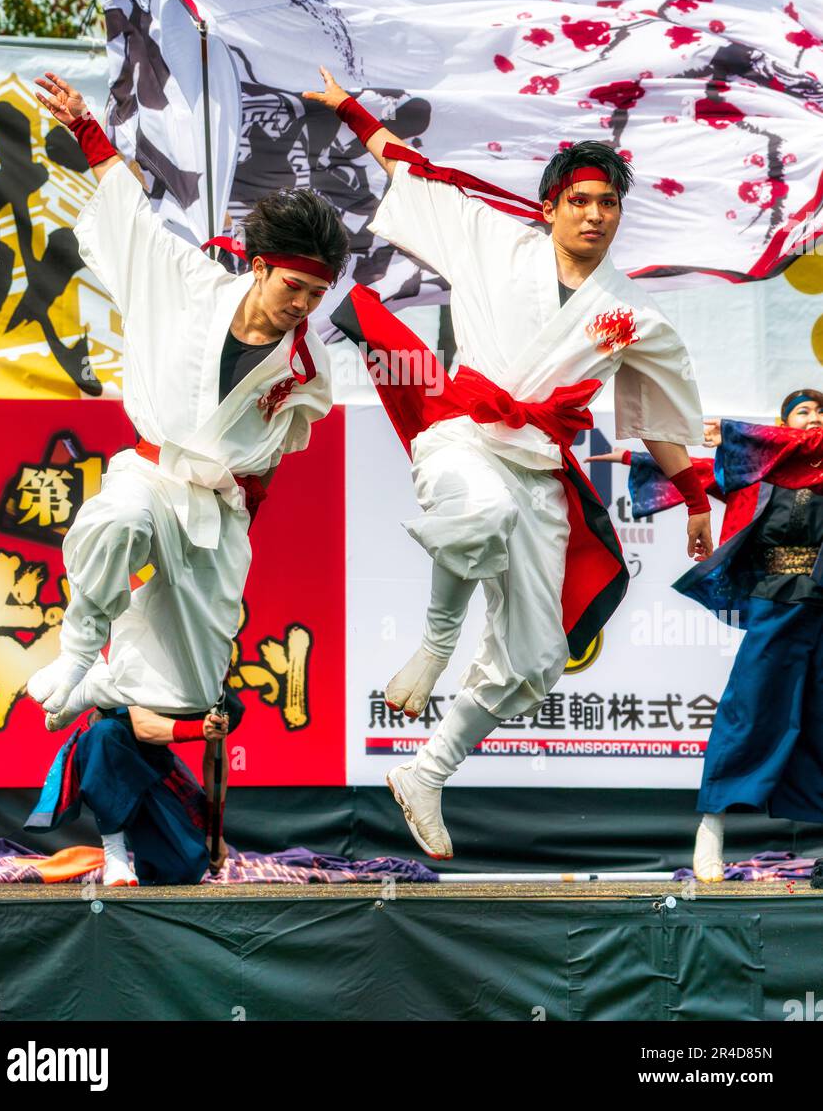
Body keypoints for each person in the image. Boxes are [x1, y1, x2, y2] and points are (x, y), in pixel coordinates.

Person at [304, 65, 711, 860]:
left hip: (539, 469)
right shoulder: (494, 239)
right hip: (461, 434)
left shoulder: (636, 314)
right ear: (550, 207)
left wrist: (695, 498)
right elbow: (408, 169)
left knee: (535, 657)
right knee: (477, 511)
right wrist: (352, 110)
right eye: (580, 201)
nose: (594, 215)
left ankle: (427, 771)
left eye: (608, 204)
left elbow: (662, 415)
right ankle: (435, 640)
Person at [25, 72, 349, 730]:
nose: (302, 306)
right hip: (151, 473)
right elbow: (132, 217)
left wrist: (247, 503)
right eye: (293, 286)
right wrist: (87, 129)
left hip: (218, 512)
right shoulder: (191, 284)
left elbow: (277, 452)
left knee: (191, 694)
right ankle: (80, 649)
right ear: (259, 267)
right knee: (117, 522)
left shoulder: (308, 369)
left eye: (316, 297)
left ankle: (102, 687)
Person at [593, 389, 823, 881]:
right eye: (803, 411)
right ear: (780, 426)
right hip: (776, 599)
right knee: (751, 708)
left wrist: (744, 433)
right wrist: (636, 457)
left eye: (820, 412)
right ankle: (711, 828)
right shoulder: (756, 472)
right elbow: (701, 473)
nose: (814, 418)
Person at [26, 693, 241, 886]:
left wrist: (216, 834)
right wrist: (200, 729)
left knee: (183, 870)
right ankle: (115, 856)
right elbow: (143, 727)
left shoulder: (216, 691)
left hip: (153, 766)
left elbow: (216, 761)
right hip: (108, 756)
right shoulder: (144, 657)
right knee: (104, 734)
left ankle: (150, 860)